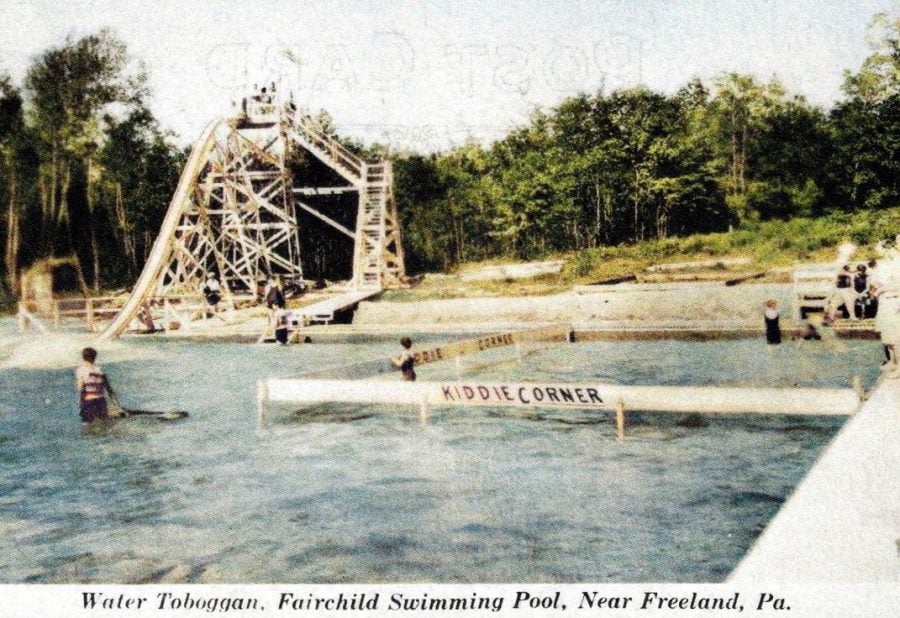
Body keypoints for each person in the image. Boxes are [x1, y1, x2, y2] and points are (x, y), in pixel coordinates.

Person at [75, 347, 109, 422]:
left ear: (83, 357)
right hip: (101, 401)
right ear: (95, 357)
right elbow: (108, 388)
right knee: (104, 424)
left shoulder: (81, 369)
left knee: (89, 426)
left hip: (89, 401)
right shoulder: (99, 370)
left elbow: (80, 387)